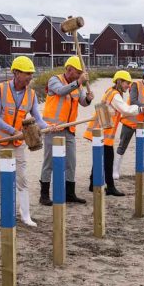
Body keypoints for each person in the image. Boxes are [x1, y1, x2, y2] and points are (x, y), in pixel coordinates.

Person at [0, 56, 52, 227]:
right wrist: (15, 132)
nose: (30, 77)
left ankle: (25, 216)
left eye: (31, 74)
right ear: (16, 73)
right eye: (27, 73)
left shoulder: (31, 94)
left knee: (22, 179)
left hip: (18, 144)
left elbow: (37, 118)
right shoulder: (0, 89)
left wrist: (50, 127)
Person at [39, 55, 94, 206]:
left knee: (71, 162)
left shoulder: (78, 85)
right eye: (77, 73)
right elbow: (61, 91)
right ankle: (44, 194)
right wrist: (78, 82)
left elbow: (83, 102)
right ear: (69, 70)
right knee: (49, 162)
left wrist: (88, 98)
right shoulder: (54, 80)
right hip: (52, 128)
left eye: (80, 74)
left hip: (69, 129)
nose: (79, 76)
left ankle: (70, 193)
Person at [84, 70, 144, 196]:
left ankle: (92, 184)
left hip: (101, 131)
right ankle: (110, 187)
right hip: (102, 132)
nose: (128, 86)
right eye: (126, 83)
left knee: (100, 158)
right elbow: (125, 109)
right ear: (119, 81)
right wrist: (141, 109)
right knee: (108, 159)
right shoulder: (115, 95)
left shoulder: (111, 92)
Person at [114, 65, 144, 181]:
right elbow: (133, 101)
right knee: (122, 146)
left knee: (143, 149)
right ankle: (115, 171)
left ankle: (143, 173)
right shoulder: (135, 85)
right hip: (130, 122)